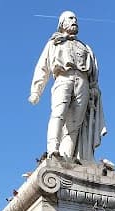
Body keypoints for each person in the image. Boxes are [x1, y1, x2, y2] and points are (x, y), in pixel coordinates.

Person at [29, 10, 106, 163]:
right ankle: (53, 150)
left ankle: (67, 156)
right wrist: (36, 91)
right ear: (62, 23)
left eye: (76, 18)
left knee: (75, 124)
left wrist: (94, 88)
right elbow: (42, 67)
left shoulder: (85, 47)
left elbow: (94, 71)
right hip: (63, 77)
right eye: (70, 18)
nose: (74, 21)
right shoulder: (54, 43)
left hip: (83, 82)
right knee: (58, 114)